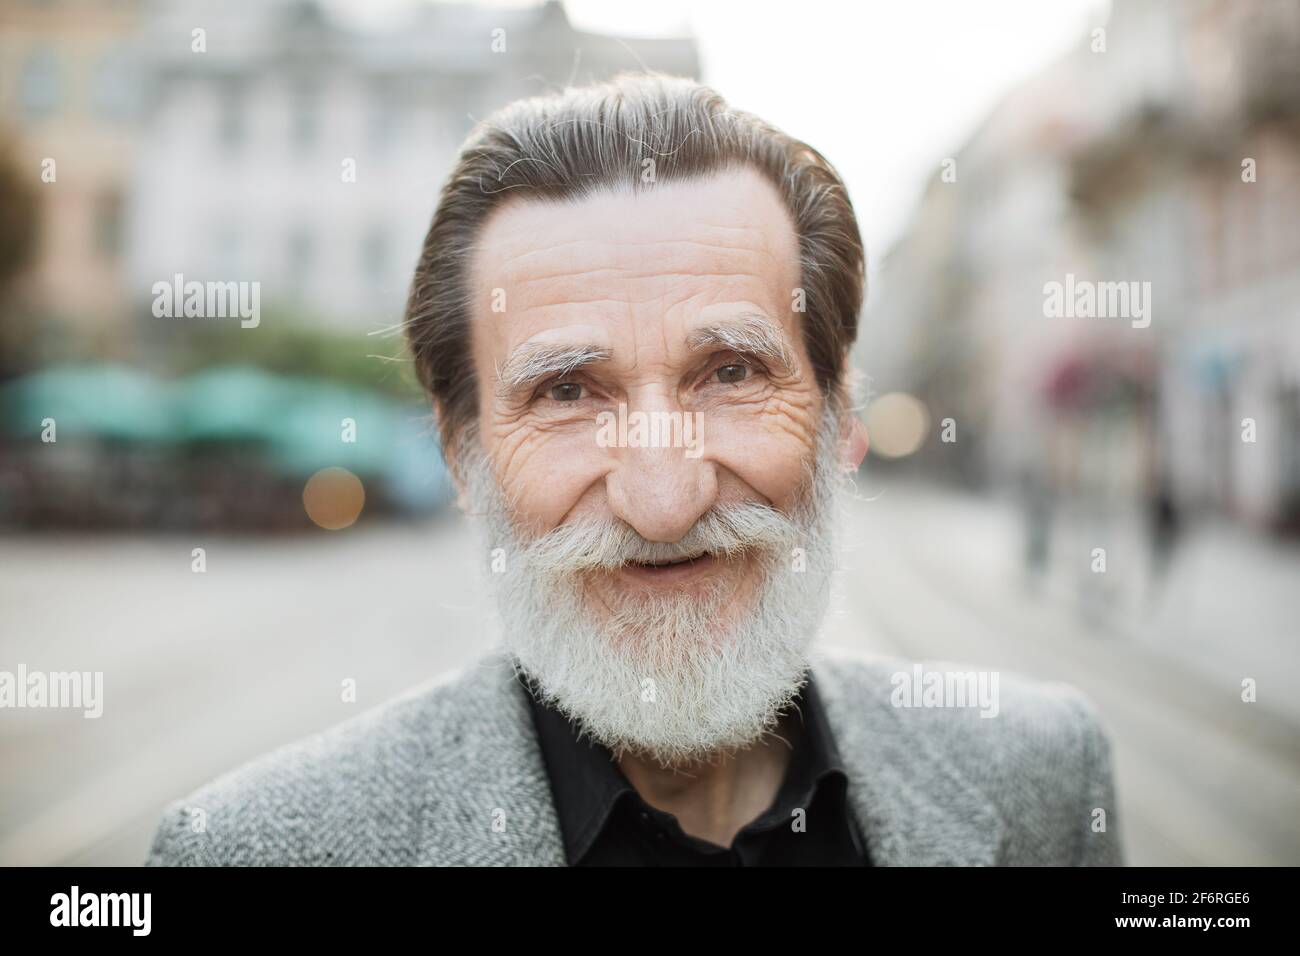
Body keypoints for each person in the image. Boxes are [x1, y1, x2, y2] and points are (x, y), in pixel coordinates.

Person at [146, 73, 1123, 866]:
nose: (663, 501)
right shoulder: (247, 851)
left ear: (838, 422)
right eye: (568, 392)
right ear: (460, 451)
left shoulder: (1040, 777)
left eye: (731, 372)